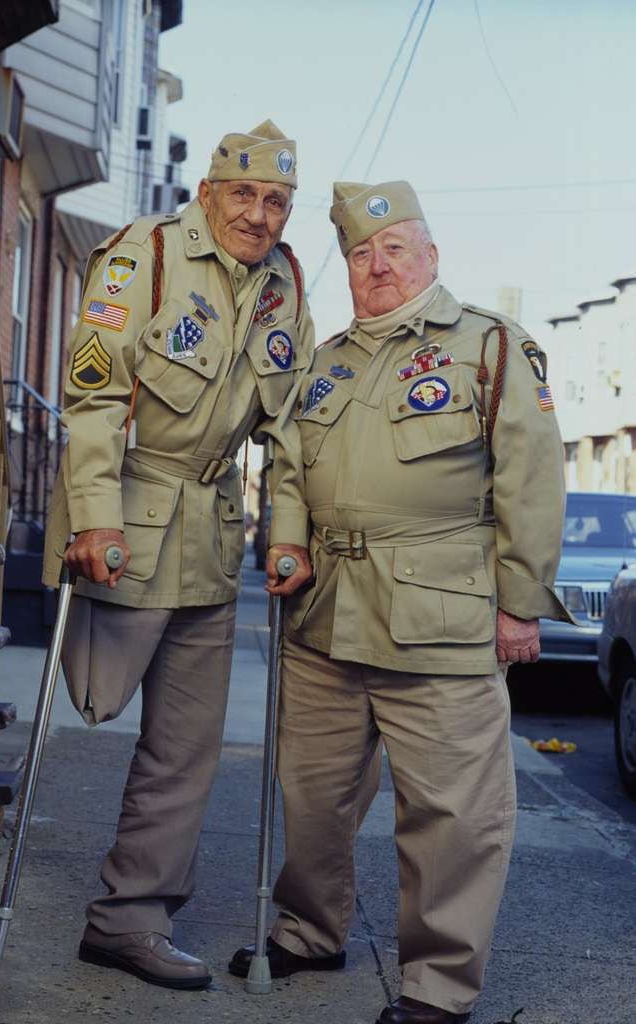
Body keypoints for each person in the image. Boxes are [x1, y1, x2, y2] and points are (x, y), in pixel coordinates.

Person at [230, 180, 572, 1023]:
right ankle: (310, 933)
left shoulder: (490, 348)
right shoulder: (328, 360)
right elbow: (287, 467)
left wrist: (520, 604)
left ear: (429, 256)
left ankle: (437, 986)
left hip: (441, 616)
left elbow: (530, 482)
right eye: (358, 253)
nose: (375, 265)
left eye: (392, 249)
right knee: (312, 797)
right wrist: (284, 538)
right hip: (324, 612)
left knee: (452, 812)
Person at [42, 120, 314, 991]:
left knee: (185, 747)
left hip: (212, 537)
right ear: (209, 192)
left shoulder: (286, 283)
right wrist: (93, 516)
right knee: (89, 701)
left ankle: (129, 921)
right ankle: (123, 913)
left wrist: (287, 535)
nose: (259, 215)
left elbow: (293, 432)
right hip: (127, 519)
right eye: (244, 194)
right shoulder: (143, 253)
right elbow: (92, 395)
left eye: (276, 201)